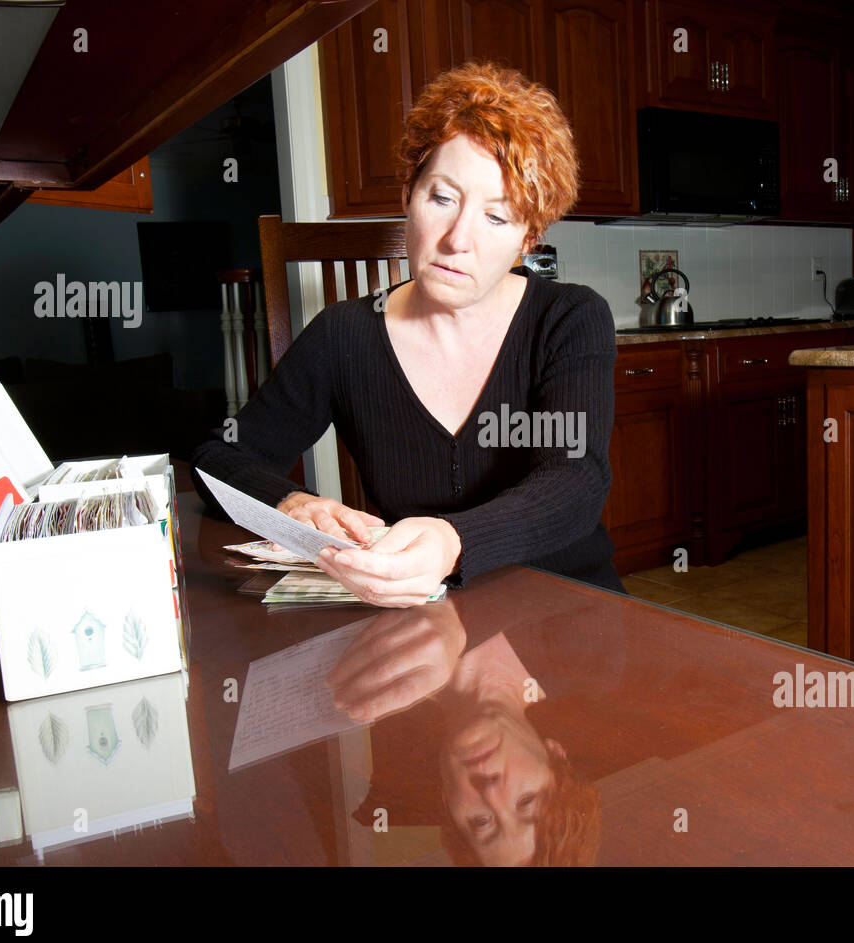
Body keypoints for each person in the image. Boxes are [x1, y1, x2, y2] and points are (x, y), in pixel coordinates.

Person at [191, 61, 624, 606]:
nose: (456, 240)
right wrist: (289, 502)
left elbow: (576, 482)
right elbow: (218, 457)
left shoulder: (570, 318)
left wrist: (452, 539)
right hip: (427, 623)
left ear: (527, 241)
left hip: (567, 614)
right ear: (408, 195)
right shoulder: (343, 336)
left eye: (498, 217)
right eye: (442, 198)